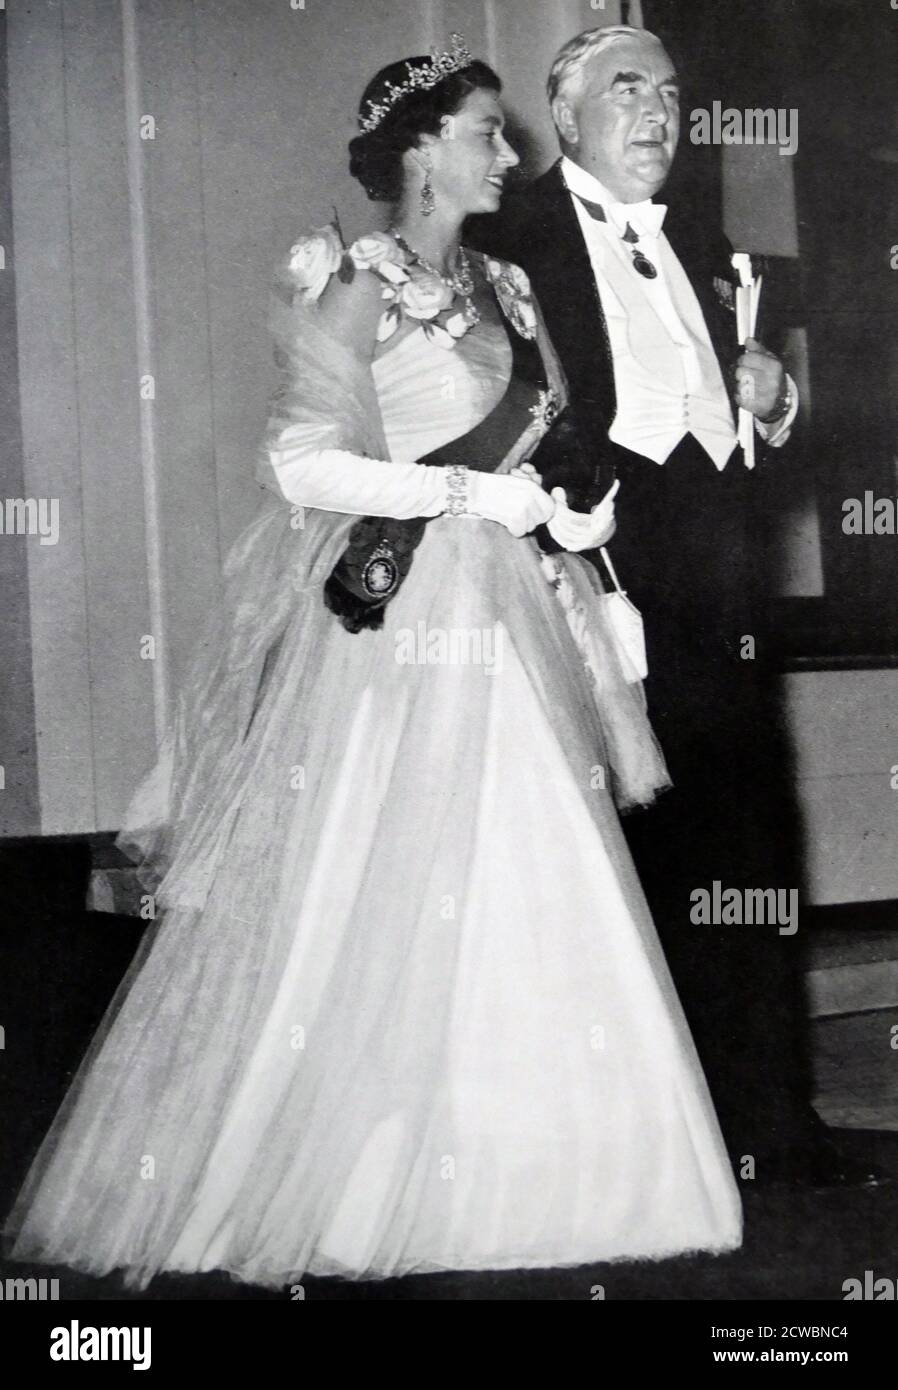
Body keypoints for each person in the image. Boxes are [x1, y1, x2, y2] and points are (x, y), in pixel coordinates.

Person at [4, 39, 741, 1289]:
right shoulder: (360, 284)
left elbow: (530, 463)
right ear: (419, 153)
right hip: (399, 621)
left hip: (509, 605)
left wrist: (566, 524)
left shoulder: (509, 285)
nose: (506, 155)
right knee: (378, 872)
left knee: (536, 853)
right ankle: (353, 1172)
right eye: (483, 132)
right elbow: (294, 467)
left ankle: (572, 1166)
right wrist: (460, 489)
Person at [471, 24, 880, 1185]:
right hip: (592, 579)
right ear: (566, 112)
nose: (658, 111)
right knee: (617, 852)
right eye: (626, 90)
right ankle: (630, 1139)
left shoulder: (705, 241)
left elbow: (741, 416)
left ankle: (769, 1122)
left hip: (718, 591)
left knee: (747, 841)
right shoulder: (511, 240)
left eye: (671, 93)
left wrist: (775, 394)